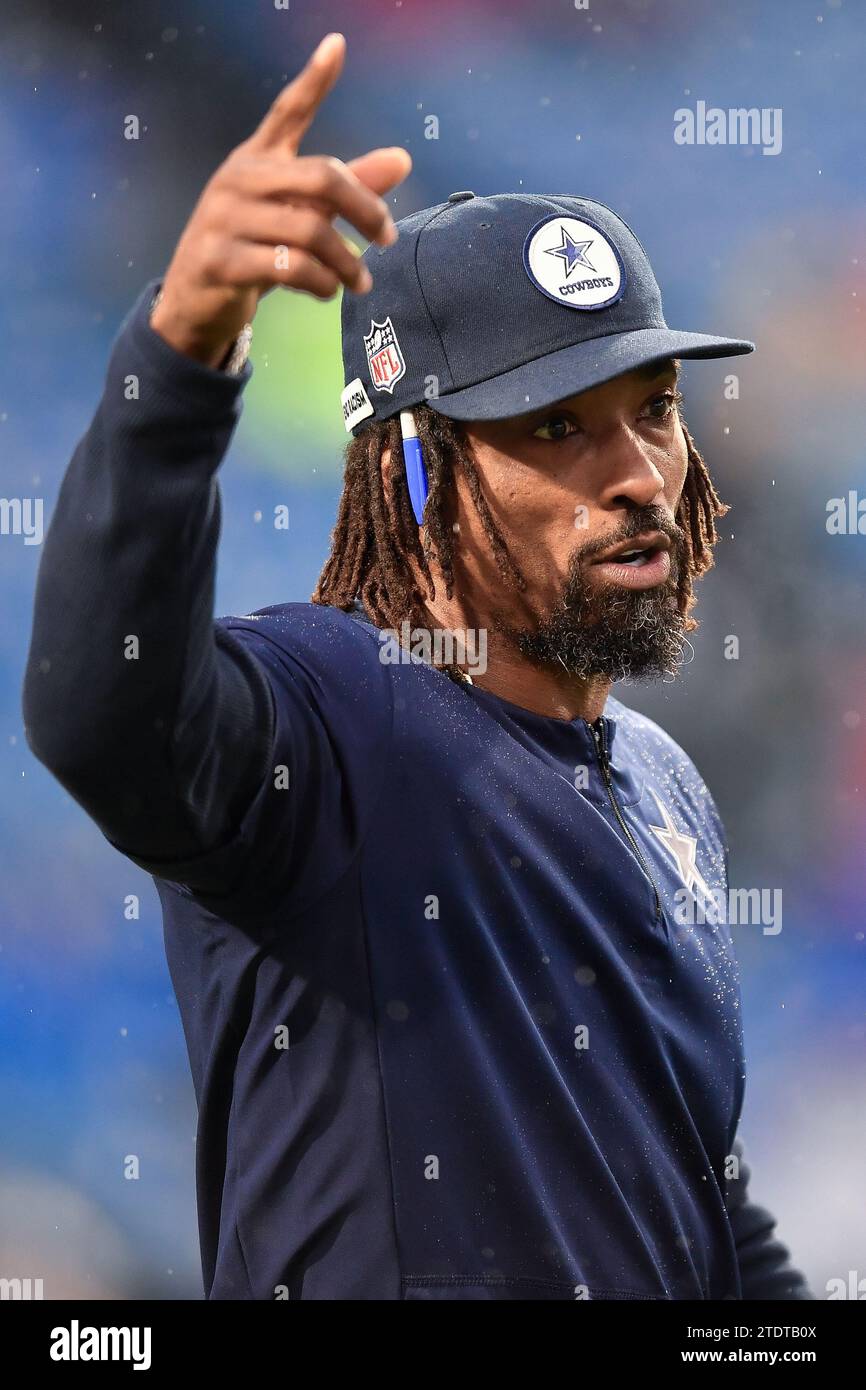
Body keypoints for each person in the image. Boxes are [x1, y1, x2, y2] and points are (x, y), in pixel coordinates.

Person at [23, 33, 812, 1301]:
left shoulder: (663, 788)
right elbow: (100, 718)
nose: (635, 475)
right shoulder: (338, 715)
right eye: (552, 425)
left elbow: (697, 1212)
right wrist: (178, 358)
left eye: (653, 407)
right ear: (414, 471)